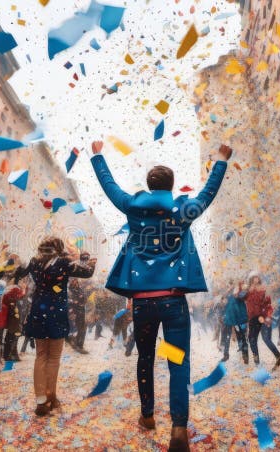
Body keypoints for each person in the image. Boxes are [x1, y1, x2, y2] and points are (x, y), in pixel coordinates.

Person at [90, 139, 231, 451]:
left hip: (142, 303)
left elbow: (109, 185)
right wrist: (221, 160)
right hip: (173, 302)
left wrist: (98, 155)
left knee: (145, 358)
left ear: (149, 186)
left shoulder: (132, 206)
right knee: (177, 362)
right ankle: (179, 429)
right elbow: (208, 193)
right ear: (171, 186)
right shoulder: (183, 210)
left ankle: (147, 415)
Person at [13, 237, 96, 416]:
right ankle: (51, 395)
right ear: (59, 249)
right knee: (54, 357)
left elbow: (19, 273)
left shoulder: (35, 262)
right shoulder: (64, 262)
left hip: (37, 309)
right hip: (56, 311)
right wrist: (85, 256)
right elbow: (87, 271)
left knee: (40, 356)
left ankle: (41, 400)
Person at [245, 274, 280, 368]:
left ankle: (278, 357)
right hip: (253, 318)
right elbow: (242, 298)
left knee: (266, 338)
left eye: (257, 277)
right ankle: (257, 362)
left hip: (262, 317)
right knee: (252, 339)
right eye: (253, 277)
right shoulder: (247, 291)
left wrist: (266, 316)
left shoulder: (263, 289)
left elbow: (267, 305)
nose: (255, 279)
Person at [221, 280, 249, 363]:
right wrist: (228, 291)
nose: (231, 285)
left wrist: (237, 292)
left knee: (242, 337)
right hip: (229, 318)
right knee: (227, 337)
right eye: (229, 284)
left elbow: (242, 296)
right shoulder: (228, 293)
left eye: (232, 283)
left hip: (239, 318)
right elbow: (223, 300)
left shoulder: (242, 290)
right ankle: (226, 355)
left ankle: (245, 356)